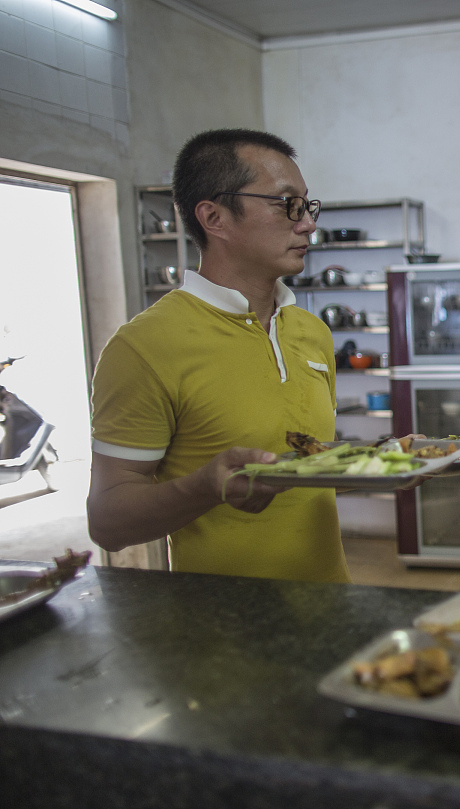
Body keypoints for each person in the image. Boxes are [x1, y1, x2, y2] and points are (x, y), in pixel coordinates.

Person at [87, 128, 351, 583]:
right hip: (219, 634)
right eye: (286, 204)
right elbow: (108, 523)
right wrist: (206, 487)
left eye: (307, 205)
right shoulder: (145, 347)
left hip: (329, 614)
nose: (307, 223)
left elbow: (309, 472)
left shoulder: (312, 333)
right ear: (214, 217)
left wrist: (393, 468)